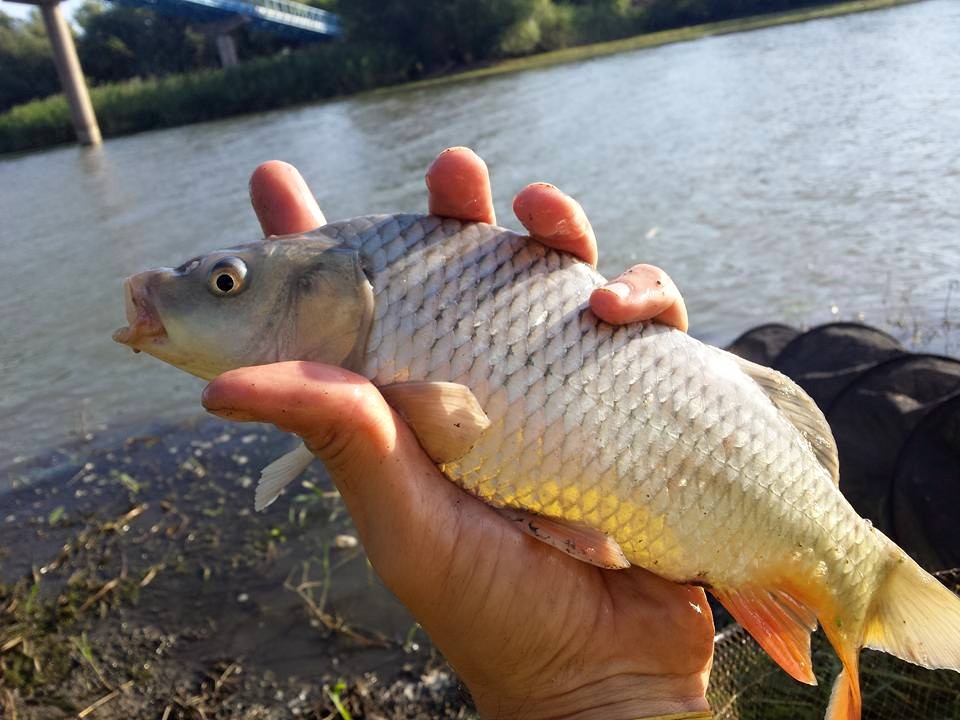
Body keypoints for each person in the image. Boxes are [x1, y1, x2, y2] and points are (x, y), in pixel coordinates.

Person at [203, 148, 715, 720]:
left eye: (224, 282)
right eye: (226, 283)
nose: (156, 291)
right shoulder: (350, 395)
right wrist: (593, 693)